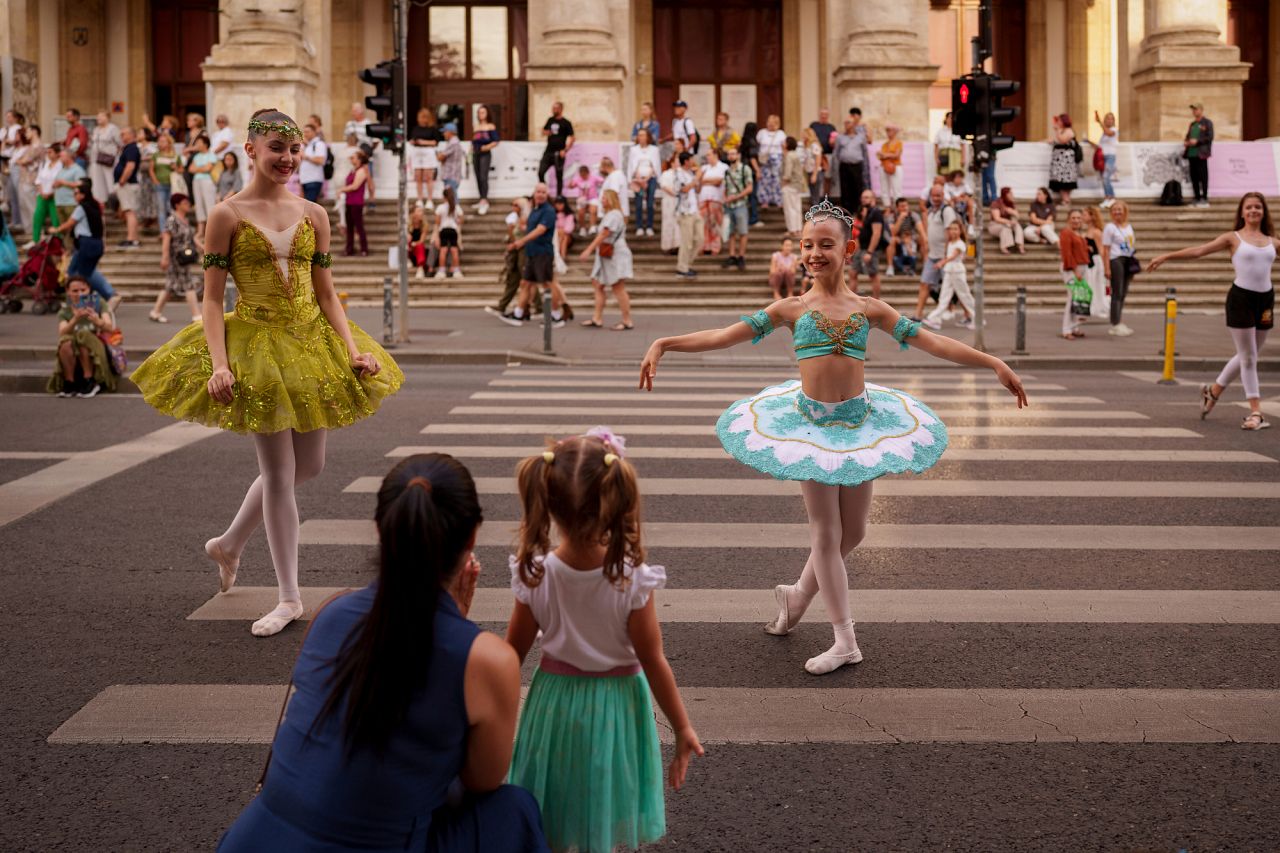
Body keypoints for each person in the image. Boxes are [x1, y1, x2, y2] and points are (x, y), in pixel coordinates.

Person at [639, 198, 1028, 674]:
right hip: (811, 428)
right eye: (807, 245)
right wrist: (665, 343)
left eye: (826, 245)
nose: (815, 253)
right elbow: (726, 334)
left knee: (856, 531)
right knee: (827, 533)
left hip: (860, 424)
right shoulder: (792, 307)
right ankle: (845, 640)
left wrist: (993, 362)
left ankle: (797, 595)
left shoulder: (870, 309)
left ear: (848, 249)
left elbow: (934, 341)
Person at [130, 108, 404, 636]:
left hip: (310, 346)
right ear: (250, 150)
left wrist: (352, 352)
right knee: (280, 475)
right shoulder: (226, 215)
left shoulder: (315, 214)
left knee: (311, 466)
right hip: (255, 347)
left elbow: (326, 294)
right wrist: (220, 363)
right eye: (277, 148)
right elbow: (212, 301)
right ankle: (289, 597)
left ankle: (229, 544)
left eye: (294, 149)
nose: (287, 158)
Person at [218, 454, 549, 852]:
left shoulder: (331, 611)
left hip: (255, 841)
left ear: (380, 529)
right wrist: (455, 626)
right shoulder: (488, 659)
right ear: (473, 536)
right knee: (514, 808)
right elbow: (482, 780)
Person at [506, 430, 702, 852]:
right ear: (616, 503)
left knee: (556, 812)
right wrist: (682, 726)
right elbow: (654, 660)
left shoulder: (535, 574)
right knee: (604, 810)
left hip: (553, 707)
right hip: (617, 706)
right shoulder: (630, 579)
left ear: (550, 505)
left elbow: (510, 658)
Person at [1149, 192, 1276, 430]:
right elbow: (1199, 251)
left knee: (1249, 355)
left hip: (1266, 301)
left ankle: (1213, 391)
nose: (1253, 211)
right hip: (1241, 299)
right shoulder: (1233, 238)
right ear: (1242, 212)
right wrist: (1166, 256)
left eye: (1258, 207)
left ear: (1263, 211)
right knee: (1249, 358)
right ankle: (1256, 412)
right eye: (1249, 207)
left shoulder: (1272, 241)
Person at [502, 182, 568, 327]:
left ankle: (556, 316)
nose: (540, 194)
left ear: (547, 195)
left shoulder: (549, 211)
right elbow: (526, 223)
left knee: (547, 284)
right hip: (532, 253)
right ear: (534, 193)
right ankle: (518, 314)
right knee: (525, 283)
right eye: (538, 191)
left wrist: (521, 242)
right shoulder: (534, 210)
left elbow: (540, 230)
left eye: (543, 192)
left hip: (542, 253)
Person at [49, 276, 117, 398]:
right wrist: (75, 319)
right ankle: (70, 382)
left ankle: (89, 380)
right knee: (65, 342)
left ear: (89, 289)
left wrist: (97, 320)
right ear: (68, 291)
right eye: (75, 291)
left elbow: (110, 328)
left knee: (83, 336)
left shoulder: (98, 303)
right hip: (73, 348)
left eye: (83, 290)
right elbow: (62, 332)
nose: (80, 294)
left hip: (95, 346)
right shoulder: (65, 310)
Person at [579, 189, 634, 330]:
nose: (602, 200)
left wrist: (589, 249)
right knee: (598, 284)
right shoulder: (612, 214)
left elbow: (605, 233)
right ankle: (596, 318)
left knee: (618, 287)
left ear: (610, 199)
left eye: (604, 198)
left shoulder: (614, 215)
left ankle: (627, 320)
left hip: (615, 254)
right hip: (608, 254)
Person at [150, 193, 203, 324]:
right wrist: (165, 257)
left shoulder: (185, 220)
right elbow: (166, 239)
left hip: (184, 256)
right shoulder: (172, 220)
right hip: (175, 257)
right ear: (177, 205)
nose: (188, 205)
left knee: (170, 286)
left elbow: (191, 237)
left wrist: (201, 246)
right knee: (188, 284)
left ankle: (155, 312)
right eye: (185, 203)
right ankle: (196, 315)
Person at [912, 184, 959, 320]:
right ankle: (918, 314)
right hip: (933, 257)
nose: (936, 198)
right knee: (924, 283)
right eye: (933, 195)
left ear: (943, 196)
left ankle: (968, 314)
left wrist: (946, 256)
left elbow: (950, 232)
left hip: (944, 257)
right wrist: (926, 252)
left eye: (938, 195)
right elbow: (928, 234)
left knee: (955, 285)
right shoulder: (931, 211)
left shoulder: (947, 211)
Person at [924, 221, 973, 330]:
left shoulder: (960, 244)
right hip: (949, 272)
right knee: (944, 296)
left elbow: (953, 256)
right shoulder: (950, 243)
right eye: (951, 229)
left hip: (957, 272)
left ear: (960, 231)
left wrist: (941, 263)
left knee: (964, 295)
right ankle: (934, 318)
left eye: (956, 229)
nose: (953, 231)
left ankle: (976, 318)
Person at [1102, 199, 1136, 336]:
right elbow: (1106, 249)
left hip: (1128, 259)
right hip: (1116, 259)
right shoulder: (1109, 227)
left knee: (1124, 292)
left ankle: (1119, 320)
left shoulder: (1128, 226)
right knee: (1117, 292)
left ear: (1125, 211)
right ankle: (1115, 323)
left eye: (1119, 209)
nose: (1117, 212)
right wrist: (1107, 268)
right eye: (1114, 210)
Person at [1058, 208, 1091, 341]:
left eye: (1078, 218)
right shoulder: (1066, 233)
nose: (1076, 220)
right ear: (1068, 219)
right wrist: (1074, 270)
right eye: (1073, 218)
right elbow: (1067, 254)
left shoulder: (1078, 233)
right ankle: (1066, 329)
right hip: (1072, 268)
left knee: (1079, 298)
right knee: (1072, 298)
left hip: (1082, 266)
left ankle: (1074, 327)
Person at [721, 147, 753, 272]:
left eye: (733, 154)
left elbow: (750, 188)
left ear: (738, 155)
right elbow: (725, 187)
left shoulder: (745, 169)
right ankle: (732, 255)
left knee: (743, 232)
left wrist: (735, 197)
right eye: (729, 154)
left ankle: (741, 256)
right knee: (730, 232)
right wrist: (725, 198)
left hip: (740, 204)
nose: (731, 156)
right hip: (729, 206)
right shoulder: (727, 171)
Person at [850, 188, 885, 298]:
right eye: (862, 197)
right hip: (862, 249)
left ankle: (876, 301)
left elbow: (876, 233)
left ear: (873, 199)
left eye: (867, 197)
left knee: (873, 275)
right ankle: (851, 300)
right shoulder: (868, 212)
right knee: (853, 273)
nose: (863, 200)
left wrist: (870, 252)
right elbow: (865, 232)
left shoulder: (876, 213)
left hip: (870, 250)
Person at [832, 113, 870, 213]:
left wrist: (866, 169)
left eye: (848, 123)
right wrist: (834, 169)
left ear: (853, 124)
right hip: (844, 166)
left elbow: (865, 153)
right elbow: (835, 154)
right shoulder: (840, 137)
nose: (846, 125)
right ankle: (846, 211)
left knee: (857, 188)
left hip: (857, 165)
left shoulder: (861, 137)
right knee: (845, 189)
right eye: (845, 123)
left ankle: (858, 211)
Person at [673, 152, 703, 279]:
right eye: (691, 159)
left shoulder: (690, 173)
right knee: (686, 242)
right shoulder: (678, 174)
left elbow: (697, 190)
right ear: (686, 161)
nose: (693, 162)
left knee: (700, 239)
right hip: (684, 212)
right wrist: (696, 179)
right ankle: (682, 267)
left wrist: (698, 180)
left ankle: (687, 263)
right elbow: (683, 190)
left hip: (694, 210)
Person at [628, 127, 661, 237]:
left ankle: (650, 226)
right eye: (639, 135)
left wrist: (649, 177)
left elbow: (656, 164)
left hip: (650, 178)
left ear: (648, 137)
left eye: (643, 135)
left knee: (650, 203)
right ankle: (639, 226)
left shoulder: (654, 149)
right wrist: (634, 177)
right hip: (638, 179)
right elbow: (631, 165)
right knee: (638, 204)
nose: (640, 137)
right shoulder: (634, 149)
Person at [113, 127, 143, 248]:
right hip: (127, 184)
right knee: (129, 211)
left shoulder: (131, 148)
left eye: (124, 134)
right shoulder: (128, 148)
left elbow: (130, 166)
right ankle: (133, 238)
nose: (121, 136)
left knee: (129, 212)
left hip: (128, 184)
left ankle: (131, 238)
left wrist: (122, 180)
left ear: (131, 135)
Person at [337, 148, 370, 256]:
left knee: (359, 226)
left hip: (357, 202)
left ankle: (364, 249)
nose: (351, 159)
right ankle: (349, 248)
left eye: (353, 157)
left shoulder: (362, 171)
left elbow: (355, 186)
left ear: (359, 159)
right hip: (349, 201)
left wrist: (342, 189)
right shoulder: (353, 170)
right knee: (350, 227)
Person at [538, 101, 574, 196]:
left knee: (559, 175)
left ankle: (559, 195)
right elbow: (544, 130)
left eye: (556, 108)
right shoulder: (550, 120)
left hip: (559, 153)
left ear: (561, 109)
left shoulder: (566, 123)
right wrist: (545, 132)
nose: (554, 110)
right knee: (541, 172)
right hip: (548, 151)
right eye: (553, 108)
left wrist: (565, 150)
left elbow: (572, 138)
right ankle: (544, 192)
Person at [186, 134, 218, 240]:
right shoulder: (197, 156)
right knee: (198, 204)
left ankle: (211, 229)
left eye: (199, 143)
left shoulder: (211, 155)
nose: (197, 145)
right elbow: (190, 169)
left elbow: (208, 169)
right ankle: (201, 230)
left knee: (209, 203)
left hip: (207, 181)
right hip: (197, 181)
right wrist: (201, 168)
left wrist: (198, 168)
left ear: (205, 144)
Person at [408, 108, 441, 209]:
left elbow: (435, 142)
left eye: (424, 117)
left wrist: (423, 142)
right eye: (420, 117)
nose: (422, 119)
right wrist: (413, 142)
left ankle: (430, 199)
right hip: (417, 152)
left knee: (428, 177)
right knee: (418, 176)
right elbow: (412, 139)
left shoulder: (432, 129)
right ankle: (419, 199)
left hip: (428, 152)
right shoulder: (415, 129)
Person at [1082, 206, 1111, 321]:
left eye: (1085, 215)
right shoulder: (1087, 231)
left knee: (1097, 285)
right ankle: (1089, 307)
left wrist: (1105, 267)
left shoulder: (1097, 232)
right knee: (1089, 284)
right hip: (1087, 261)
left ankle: (1100, 307)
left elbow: (1102, 251)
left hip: (1095, 261)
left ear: (1092, 216)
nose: (1083, 217)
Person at [697, 146, 726, 255]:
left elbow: (719, 181)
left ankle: (715, 246)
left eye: (709, 154)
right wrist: (706, 181)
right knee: (703, 223)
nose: (707, 157)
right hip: (703, 198)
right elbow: (698, 181)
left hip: (716, 198)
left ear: (715, 155)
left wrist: (705, 181)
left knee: (715, 223)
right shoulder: (704, 168)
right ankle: (704, 245)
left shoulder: (723, 167)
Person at [1184, 103, 1214, 208]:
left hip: (1201, 153)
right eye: (1193, 110)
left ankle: (1204, 197)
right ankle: (1196, 197)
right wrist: (1187, 142)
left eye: (1196, 109)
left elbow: (1209, 137)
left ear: (1201, 110)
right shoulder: (1192, 124)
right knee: (1194, 176)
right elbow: (1188, 136)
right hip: (1191, 154)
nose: (1194, 112)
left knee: (1203, 176)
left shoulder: (1207, 123)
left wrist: (1197, 141)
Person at [470, 104, 499, 215]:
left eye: (483, 112)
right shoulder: (476, 126)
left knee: (483, 176)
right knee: (477, 176)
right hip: (475, 153)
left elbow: (496, 141)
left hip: (485, 154)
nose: (481, 114)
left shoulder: (491, 126)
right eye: (479, 112)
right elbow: (474, 141)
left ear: (487, 114)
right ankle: (481, 198)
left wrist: (486, 147)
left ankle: (484, 200)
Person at [150, 133, 181, 234]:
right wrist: (155, 181)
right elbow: (151, 169)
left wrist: (175, 168)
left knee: (171, 208)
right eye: (159, 141)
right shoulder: (156, 155)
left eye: (163, 141)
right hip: (160, 185)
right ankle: (163, 231)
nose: (160, 143)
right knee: (161, 208)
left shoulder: (175, 156)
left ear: (169, 143)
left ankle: (172, 229)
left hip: (172, 185)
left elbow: (181, 170)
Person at [88, 111, 122, 204]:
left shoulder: (113, 128)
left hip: (108, 159)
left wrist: (114, 154)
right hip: (96, 158)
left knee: (109, 179)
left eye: (101, 116)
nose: (98, 118)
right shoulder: (96, 129)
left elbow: (120, 143)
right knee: (97, 181)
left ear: (107, 117)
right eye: (98, 116)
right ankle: (100, 201)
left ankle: (113, 201)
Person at [31, 143, 61, 243]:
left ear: (57, 154)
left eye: (50, 152)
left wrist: (51, 193)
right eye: (47, 152)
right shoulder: (45, 163)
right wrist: (42, 191)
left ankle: (58, 241)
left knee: (56, 219)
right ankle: (35, 239)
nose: (48, 154)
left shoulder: (60, 165)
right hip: (42, 195)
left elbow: (60, 181)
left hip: (54, 196)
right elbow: (38, 179)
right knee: (37, 217)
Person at [1048, 114, 1080, 206]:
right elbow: (1057, 141)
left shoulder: (1069, 131)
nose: (1058, 123)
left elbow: (1062, 140)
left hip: (1065, 162)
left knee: (1065, 181)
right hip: (1059, 162)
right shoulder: (1062, 131)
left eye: (1059, 121)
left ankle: (1066, 200)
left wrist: (1057, 130)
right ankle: (1065, 199)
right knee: (1060, 181)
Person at [755, 114, 786, 208]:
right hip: (764, 159)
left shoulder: (781, 134)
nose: (770, 125)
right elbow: (758, 144)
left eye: (772, 123)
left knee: (776, 180)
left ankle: (778, 200)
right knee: (764, 180)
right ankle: (764, 200)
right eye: (769, 122)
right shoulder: (762, 132)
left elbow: (784, 148)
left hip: (777, 159)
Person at [432, 186, 463, 278]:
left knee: (443, 250)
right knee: (454, 250)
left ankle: (442, 270)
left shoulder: (441, 207)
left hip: (444, 229)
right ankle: (457, 270)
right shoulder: (456, 207)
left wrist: (436, 236)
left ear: (443, 196)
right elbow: (461, 219)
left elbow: (437, 222)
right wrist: (456, 221)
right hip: (453, 230)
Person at [52, 145, 87, 226]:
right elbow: (58, 183)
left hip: (71, 203)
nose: (59, 157)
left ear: (69, 157)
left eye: (62, 156)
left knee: (71, 229)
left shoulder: (77, 169)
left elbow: (81, 184)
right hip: (59, 203)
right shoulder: (61, 170)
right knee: (63, 230)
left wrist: (63, 182)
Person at [988, 187, 1026, 254]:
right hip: (995, 225)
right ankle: (1004, 247)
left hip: (1008, 223)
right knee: (1005, 228)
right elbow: (997, 218)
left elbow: (1017, 216)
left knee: (1017, 226)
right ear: (1005, 194)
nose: (1012, 195)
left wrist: (1013, 212)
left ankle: (1020, 245)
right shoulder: (996, 203)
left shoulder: (1011, 204)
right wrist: (1009, 222)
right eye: (1010, 193)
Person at [567, 164, 602, 236]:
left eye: (584, 175)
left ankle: (592, 226)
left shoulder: (593, 177)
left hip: (593, 198)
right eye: (581, 175)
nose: (583, 176)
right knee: (580, 213)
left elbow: (602, 181)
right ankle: (582, 228)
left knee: (593, 210)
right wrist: (570, 183)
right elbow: (571, 186)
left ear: (588, 173)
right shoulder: (577, 179)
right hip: (582, 199)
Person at [781, 136, 806, 237]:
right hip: (797, 185)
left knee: (789, 208)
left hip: (790, 184)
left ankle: (792, 230)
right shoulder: (795, 154)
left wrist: (784, 181)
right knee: (796, 208)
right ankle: (798, 229)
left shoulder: (789, 156)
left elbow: (788, 172)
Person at [1094, 110, 1119, 208]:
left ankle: (1112, 198)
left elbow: (1109, 133)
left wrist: (1099, 122)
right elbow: (1100, 146)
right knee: (1104, 179)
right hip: (1102, 158)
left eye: (1111, 119)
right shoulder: (1103, 134)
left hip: (1110, 157)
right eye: (1107, 118)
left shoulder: (1114, 130)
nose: (1109, 121)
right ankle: (1107, 198)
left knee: (1106, 177)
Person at [657, 151, 681, 254]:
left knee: (678, 224)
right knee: (668, 223)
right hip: (669, 200)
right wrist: (675, 193)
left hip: (679, 201)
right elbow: (664, 186)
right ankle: (668, 246)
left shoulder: (682, 174)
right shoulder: (666, 174)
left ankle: (678, 245)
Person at [298, 123, 327, 204]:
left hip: (314, 180)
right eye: (304, 132)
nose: (305, 134)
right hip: (304, 180)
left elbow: (321, 161)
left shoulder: (319, 144)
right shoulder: (307, 146)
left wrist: (306, 156)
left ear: (314, 132)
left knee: (310, 205)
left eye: (307, 132)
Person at [739, 121, 761, 227]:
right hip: (751, 170)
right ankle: (753, 218)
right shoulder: (752, 142)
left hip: (743, 169)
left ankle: (745, 218)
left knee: (745, 195)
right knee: (753, 195)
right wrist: (757, 170)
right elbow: (752, 158)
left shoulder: (743, 141)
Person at [876, 123, 903, 208]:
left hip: (895, 166)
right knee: (884, 189)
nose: (888, 133)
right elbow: (880, 156)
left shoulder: (898, 143)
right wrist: (886, 155)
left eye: (890, 130)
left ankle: (898, 207)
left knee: (896, 189)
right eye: (887, 131)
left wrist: (884, 154)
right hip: (884, 166)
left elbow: (896, 155)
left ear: (895, 132)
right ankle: (887, 207)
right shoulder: (885, 144)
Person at [802, 126, 826, 207]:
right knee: (812, 192)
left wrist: (815, 174)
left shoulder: (814, 145)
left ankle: (816, 211)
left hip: (815, 171)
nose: (802, 136)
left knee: (816, 193)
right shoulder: (806, 146)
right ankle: (813, 209)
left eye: (804, 134)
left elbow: (818, 159)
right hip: (809, 171)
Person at [437, 123, 463, 196]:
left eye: (445, 132)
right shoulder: (453, 142)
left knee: (451, 196)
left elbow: (441, 157)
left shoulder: (453, 142)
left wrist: (439, 155)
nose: (443, 134)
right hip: (451, 174)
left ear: (450, 132)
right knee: (450, 196)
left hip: (451, 174)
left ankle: (455, 207)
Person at [934, 111, 962, 176]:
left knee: (956, 174)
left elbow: (962, 145)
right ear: (946, 119)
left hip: (955, 155)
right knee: (944, 173)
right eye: (950, 117)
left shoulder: (959, 131)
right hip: (944, 155)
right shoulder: (940, 131)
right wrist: (936, 158)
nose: (951, 119)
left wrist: (963, 158)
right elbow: (936, 146)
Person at [552, 196, 575, 261]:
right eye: (557, 203)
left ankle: (560, 257)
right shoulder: (552, 214)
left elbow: (569, 228)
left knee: (565, 236)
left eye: (561, 203)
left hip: (566, 237)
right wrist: (559, 231)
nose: (559, 205)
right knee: (562, 236)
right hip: (556, 236)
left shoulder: (569, 215)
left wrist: (560, 231)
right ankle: (561, 257)